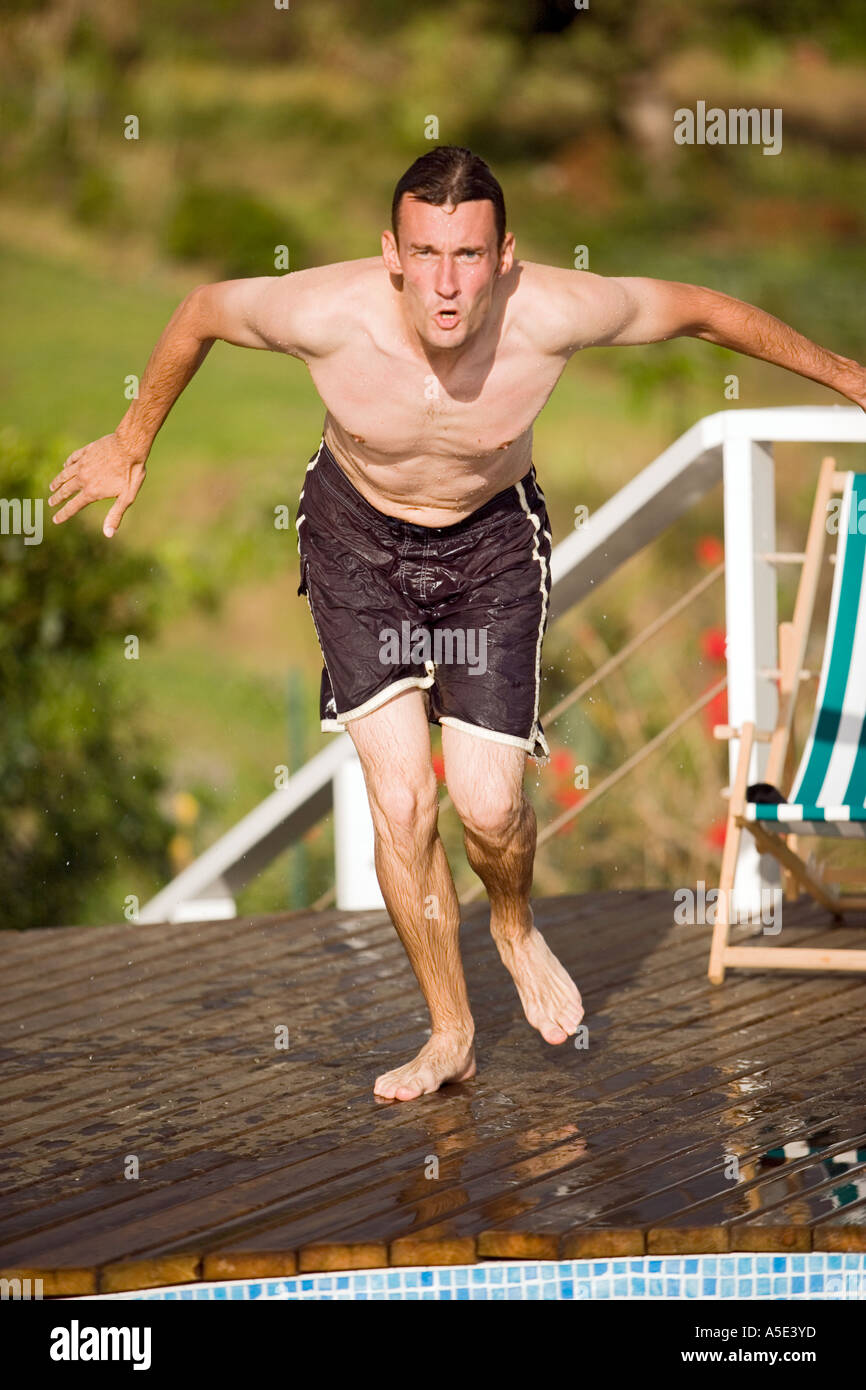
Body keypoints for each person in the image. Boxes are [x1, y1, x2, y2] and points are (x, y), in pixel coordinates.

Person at [50, 145, 866, 1102]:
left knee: (487, 806)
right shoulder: (325, 312)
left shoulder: (552, 314)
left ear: (505, 256)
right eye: (426, 254)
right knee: (399, 802)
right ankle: (449, 1033)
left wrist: (847, 374)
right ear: (390, 252)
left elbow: (697, 308)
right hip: (356, 544)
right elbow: (201, 312)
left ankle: (512, 925)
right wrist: (131, 440)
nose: (446, 285)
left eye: (469, 257)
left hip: (488, 549)